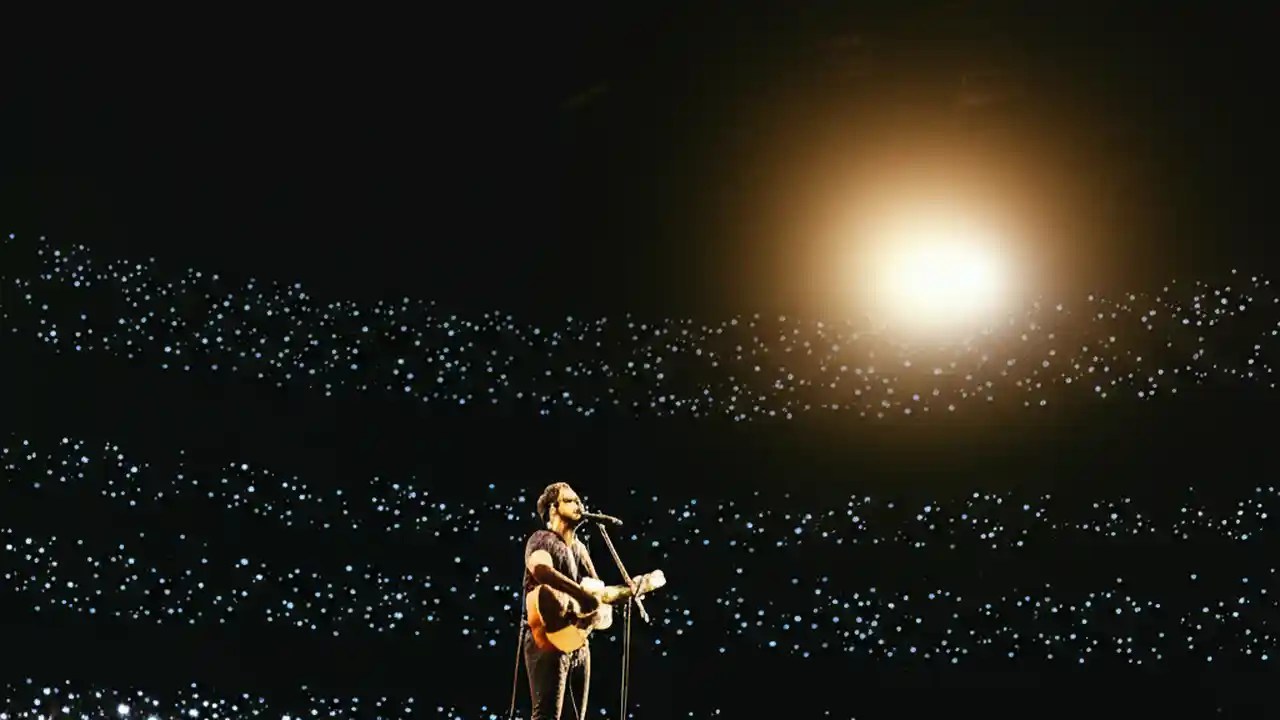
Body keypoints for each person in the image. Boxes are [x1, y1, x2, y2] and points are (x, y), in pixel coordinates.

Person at [522, 482, 601, 720]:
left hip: (577, 640)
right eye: (571, 500)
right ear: (553, 508)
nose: (579, 505)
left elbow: (597, 593)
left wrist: (628, 591)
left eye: (579, 500)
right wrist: (580, 594)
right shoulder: (543, 538)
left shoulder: (580, 549)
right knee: (546, 715)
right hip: (547, 637)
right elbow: (540, 568)